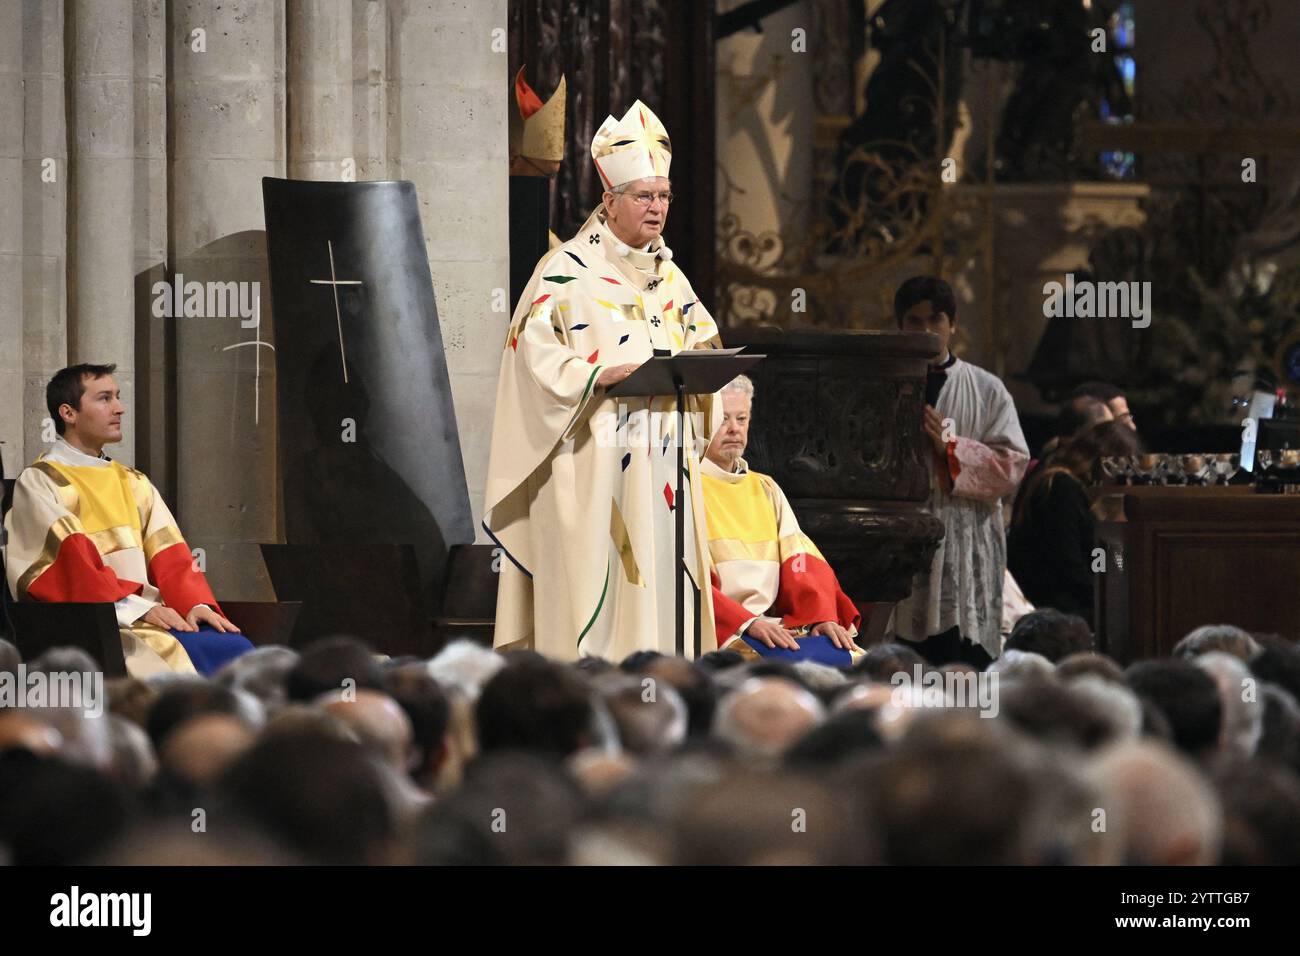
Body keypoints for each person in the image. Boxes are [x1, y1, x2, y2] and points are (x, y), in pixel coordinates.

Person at [485, 100, 724, 661]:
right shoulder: (565, 271)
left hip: (665, 466)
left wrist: (715, 369)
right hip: (592, 465)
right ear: (609, 200)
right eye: (644, 196)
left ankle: (667, 692)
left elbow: (705, 345)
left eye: (664, 196)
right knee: (600, 601)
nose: (658, 208)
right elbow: (529, 359)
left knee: (665, 603)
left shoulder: (671, 277)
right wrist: (596, 375)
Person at [4, 364, 252, 677]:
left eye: (117, 397)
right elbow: (69, 567)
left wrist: (195, 604)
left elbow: (172, 556)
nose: (119, 408)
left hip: (151, 615)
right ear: (68, 413)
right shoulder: (43, 481)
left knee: (237, 649)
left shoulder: (133, 481)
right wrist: (137, 607)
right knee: (199, 658)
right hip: (102, 625)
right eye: (105, 399)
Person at [888, 277, 1030, 667]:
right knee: (905, 657)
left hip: (965, 536)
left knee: (963, 655)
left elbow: (1013, 464)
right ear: (900, 325)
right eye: (915, 321)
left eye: (936, 319)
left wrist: (950, 450)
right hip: (902, 539)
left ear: (953, 324)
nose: (927, 331)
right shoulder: (883, 385)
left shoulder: (987, 388)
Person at [700, 375, 862, 667]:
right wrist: (745, 623)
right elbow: (690, 581)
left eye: (742, 418)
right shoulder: (687, 487)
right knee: (799, 667)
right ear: (701, 422)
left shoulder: (765, 488)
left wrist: (820, 616)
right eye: (723, 419)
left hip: (775, 625)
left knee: (859, 662)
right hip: (725, 630)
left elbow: (800, 559)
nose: (734, 429)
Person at [1007, 420, 1140, 625]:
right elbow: (1068, 561)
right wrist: (1104, 598)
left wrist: (1113, 533)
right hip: (1055, 608)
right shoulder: (1061, 486)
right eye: (1121, 473)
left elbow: (1101, 561)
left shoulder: (1089, 493)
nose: (1123, 482)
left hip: (1075, 602)